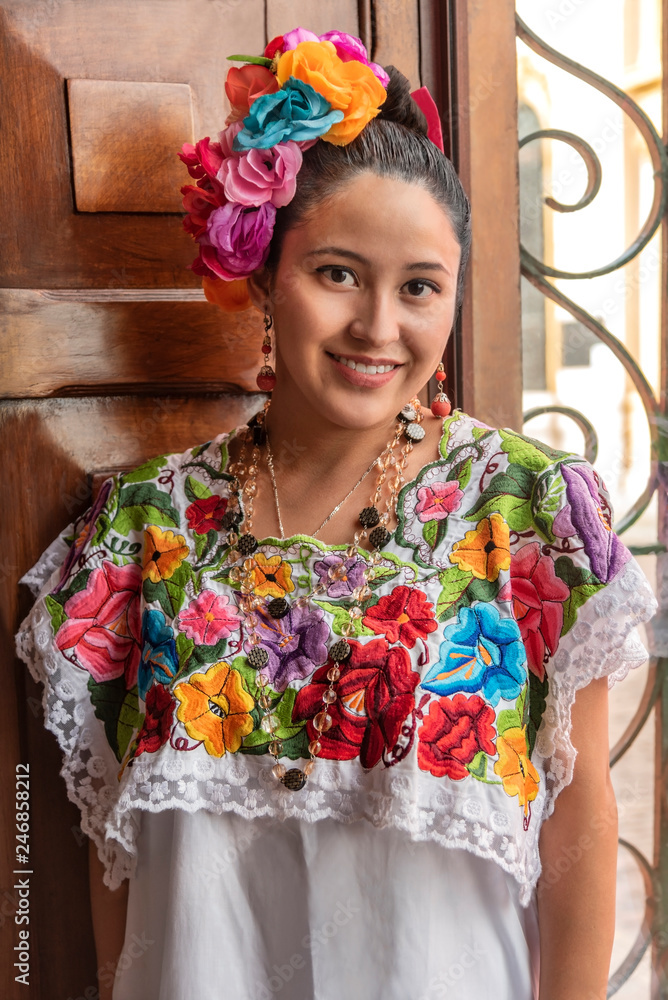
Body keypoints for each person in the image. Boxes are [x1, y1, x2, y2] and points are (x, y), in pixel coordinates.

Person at [15, 25, 657, 1000]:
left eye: (419, 289)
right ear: (266, 276)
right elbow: (116, 858)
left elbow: (576, 826)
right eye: (337, 273)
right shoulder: (140, 535)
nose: (377, 327)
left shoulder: (525, 516)